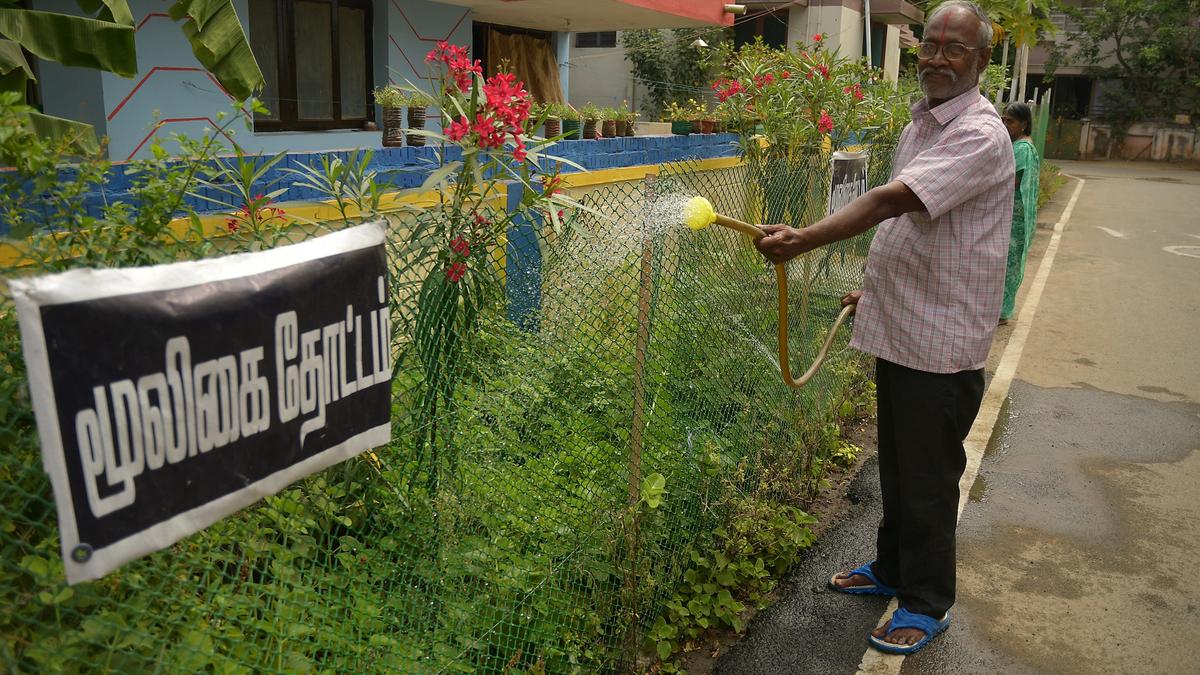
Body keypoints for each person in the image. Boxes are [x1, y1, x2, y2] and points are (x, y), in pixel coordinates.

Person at [752, 0, 1014, 655]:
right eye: (930, 44)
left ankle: (927, 602)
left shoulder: (980, 133)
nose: (936, 58)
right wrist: (873, 287)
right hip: (900, 326)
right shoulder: (920, 123)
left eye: (955, 49)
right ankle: (893, 569)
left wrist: (804, 238)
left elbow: (892, 200)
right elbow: (918, 225)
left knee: (926, 478)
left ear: (982, 61)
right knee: (898, 469)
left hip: (941, 344)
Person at [999, 102, 1041, 324]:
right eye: (1003, 119)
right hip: (1009, 215)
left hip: (1014, 217)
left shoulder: (1022, 149)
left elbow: (1012, 182)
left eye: (1011, 121)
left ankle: (1003, 312)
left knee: (1008, 264)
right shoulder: (1020, 145)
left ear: (1024, 124)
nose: (1005, 124)